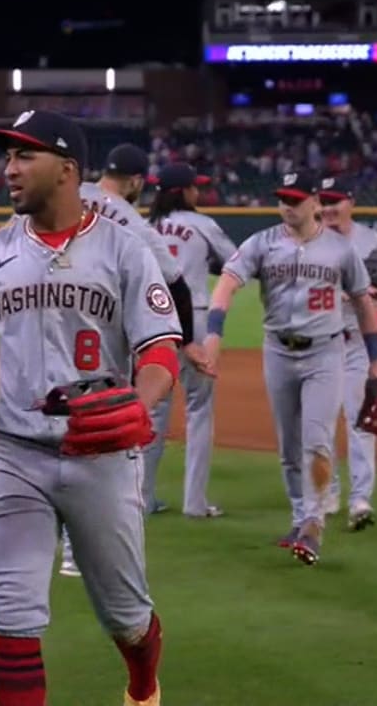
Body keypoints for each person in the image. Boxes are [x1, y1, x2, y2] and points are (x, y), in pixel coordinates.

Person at [0, 110, 181, 706]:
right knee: (12, 616)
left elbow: (162, 347)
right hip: (17, 454)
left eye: (22, 156)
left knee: (127, 618)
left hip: (105, 457)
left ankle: (143, 684)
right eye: (6, 157)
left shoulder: (124, 251)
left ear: (67, 170)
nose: (8, 169)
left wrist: (142, 403)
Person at [193, 170, 377, 566]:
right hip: (278, 351)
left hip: (325, 353)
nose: (286, 205)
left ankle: (314, 525)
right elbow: (227, 283)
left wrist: (376, 361)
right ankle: (300, 519)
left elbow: (364, 304)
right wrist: (213, 333)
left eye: (295, 198)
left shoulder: (340, 249)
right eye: (282, 197)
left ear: (315, 203)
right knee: (288, 446)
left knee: (316, 439)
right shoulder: (262, 243)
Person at [54, 142, 197, 577]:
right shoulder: (132, 220)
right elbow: (178, 285)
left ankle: (48, 534)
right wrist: (186, 341)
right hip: (102, 335)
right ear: (136, 182)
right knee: (101, 432)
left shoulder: (67, 195)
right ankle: (79, 547)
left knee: (45, 432)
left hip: (48, 322)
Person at [144, 162, 239, 519]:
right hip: (195, 318)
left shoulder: (144, 227)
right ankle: (195, 502)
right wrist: (205, 264)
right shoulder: (202, 225)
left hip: (152, 323)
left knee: (154, 410)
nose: (197, 192)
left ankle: (143, 498)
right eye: (193, 187)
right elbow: (235, 263)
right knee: (199, 410)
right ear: (183, 191)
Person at [317, 175, 377, 530]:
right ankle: (327, 490)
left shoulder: (370, 240)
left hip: (359, 341)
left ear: (351, 203)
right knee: (322, 422)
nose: (328, 209)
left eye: (335, 201)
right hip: (322, 343)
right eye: (324, 202)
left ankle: (361, 499)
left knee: (360, 421)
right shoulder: (309, 239)